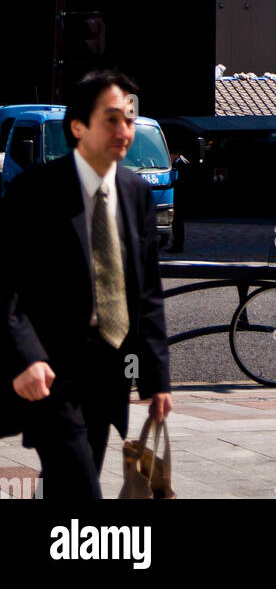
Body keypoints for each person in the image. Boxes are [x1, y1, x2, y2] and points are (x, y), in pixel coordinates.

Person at [0, 69, 172, 499]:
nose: (124, 130)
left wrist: (157, 380)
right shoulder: (35, 192)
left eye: (129, 119)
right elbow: (5, 283)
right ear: (78, 126)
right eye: (111, 119)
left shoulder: (136, 195)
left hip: (108, 373)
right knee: (80, 488)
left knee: (70, 482)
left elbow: (147, 294)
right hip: (51, 372)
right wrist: (26, 358)